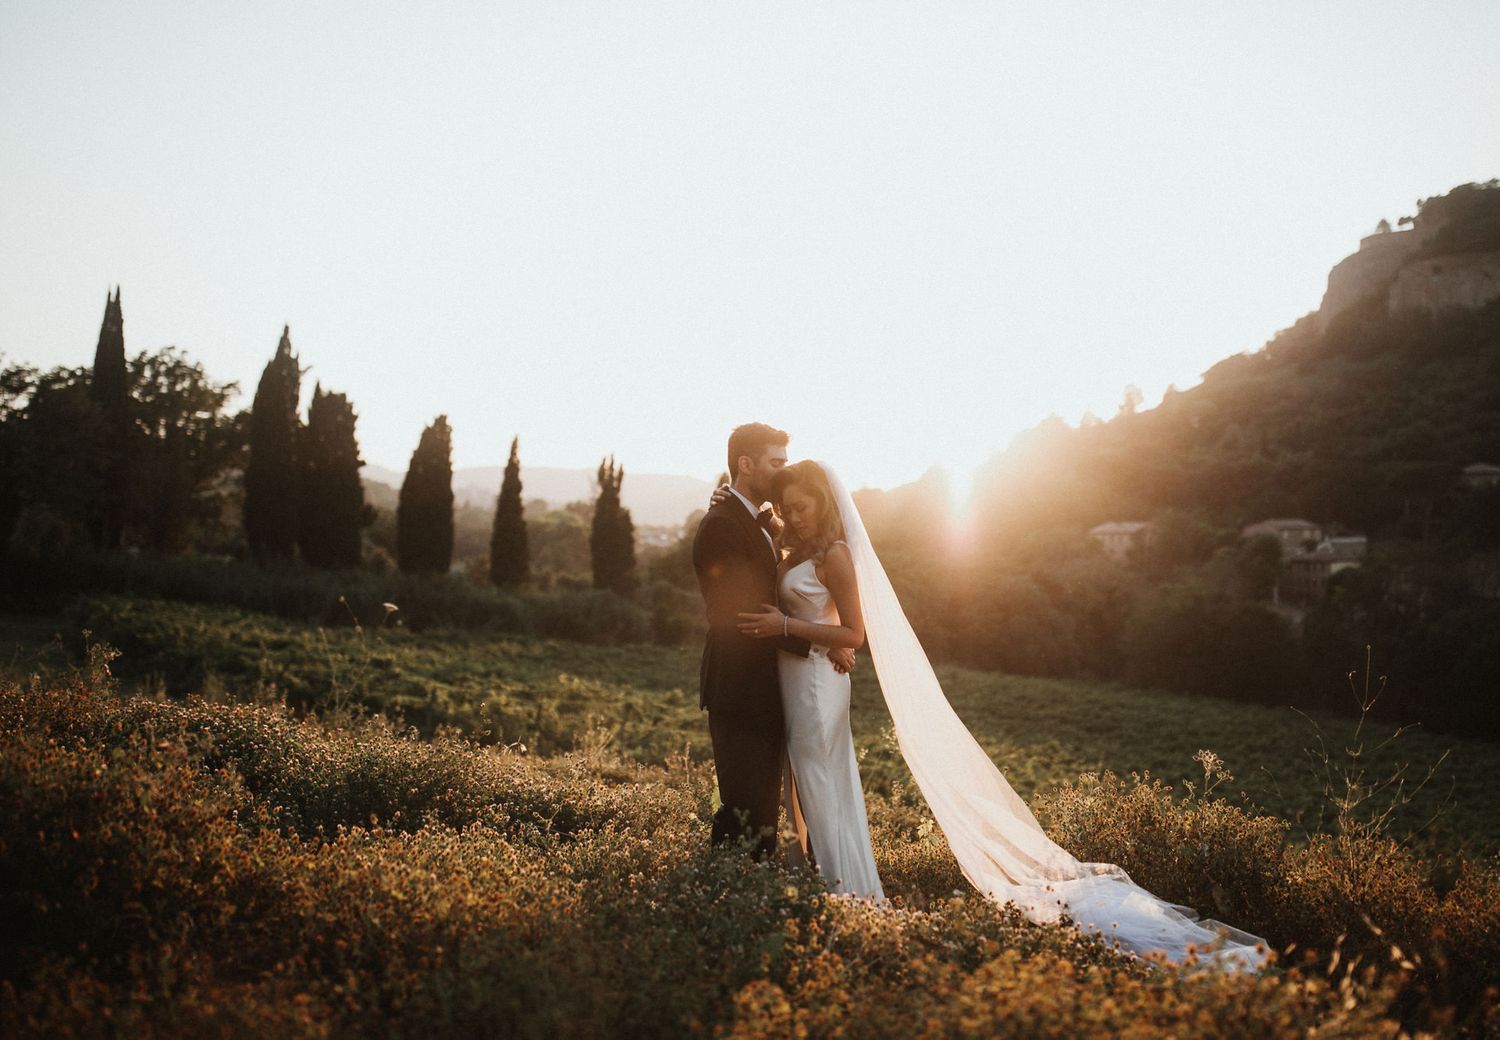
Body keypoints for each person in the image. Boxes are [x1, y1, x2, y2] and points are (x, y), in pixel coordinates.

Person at [731, 460, 1269, 970]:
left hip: (819, 689)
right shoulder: (792, 544)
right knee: (805, 788)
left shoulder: (836, 555)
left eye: (804, 506)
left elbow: (855, 635)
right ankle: (827, 893)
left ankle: (847, 903)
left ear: (824, 504)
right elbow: (812, 606)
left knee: (823, 789)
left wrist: (788, 628)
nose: (796, 515)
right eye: (788, 507)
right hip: (801, 677)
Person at [691, 425, 855, 859]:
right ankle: (731, 898)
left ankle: (745, 891)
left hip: (768, 687)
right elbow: (741, 618)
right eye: (776, 463)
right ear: (746, 465)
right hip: (741, 688)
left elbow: (793, 567)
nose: (783, 471)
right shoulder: (724, 524)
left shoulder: (754, 517)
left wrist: (825, 635)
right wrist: (820, 642)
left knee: (761, 805)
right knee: (747, 807)